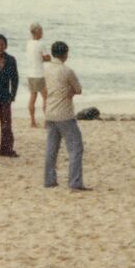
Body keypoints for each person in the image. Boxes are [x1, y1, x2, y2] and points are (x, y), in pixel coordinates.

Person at [43, 41, 87, 191]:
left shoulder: (47, 69)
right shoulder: (67, 71)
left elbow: (46, 89)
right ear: (65, 54)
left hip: (50, 112)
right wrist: (71, 91)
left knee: (51, 148)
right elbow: (79, 89)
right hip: (64, 113)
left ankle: (49, 180)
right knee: (76, 148)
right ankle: (75, 182)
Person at [23, 24, 50, 128]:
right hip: (39, 74)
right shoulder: (41, 44)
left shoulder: (28, 43)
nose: (42, 33)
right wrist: (45, 58)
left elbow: (33, 57)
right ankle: (46, 122)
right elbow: (47, 58)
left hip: (30, 74)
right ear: (36, 32)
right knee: (45, 98)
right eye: (41, 31)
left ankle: (33, 121)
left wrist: (40, 58)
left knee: (32, 97)